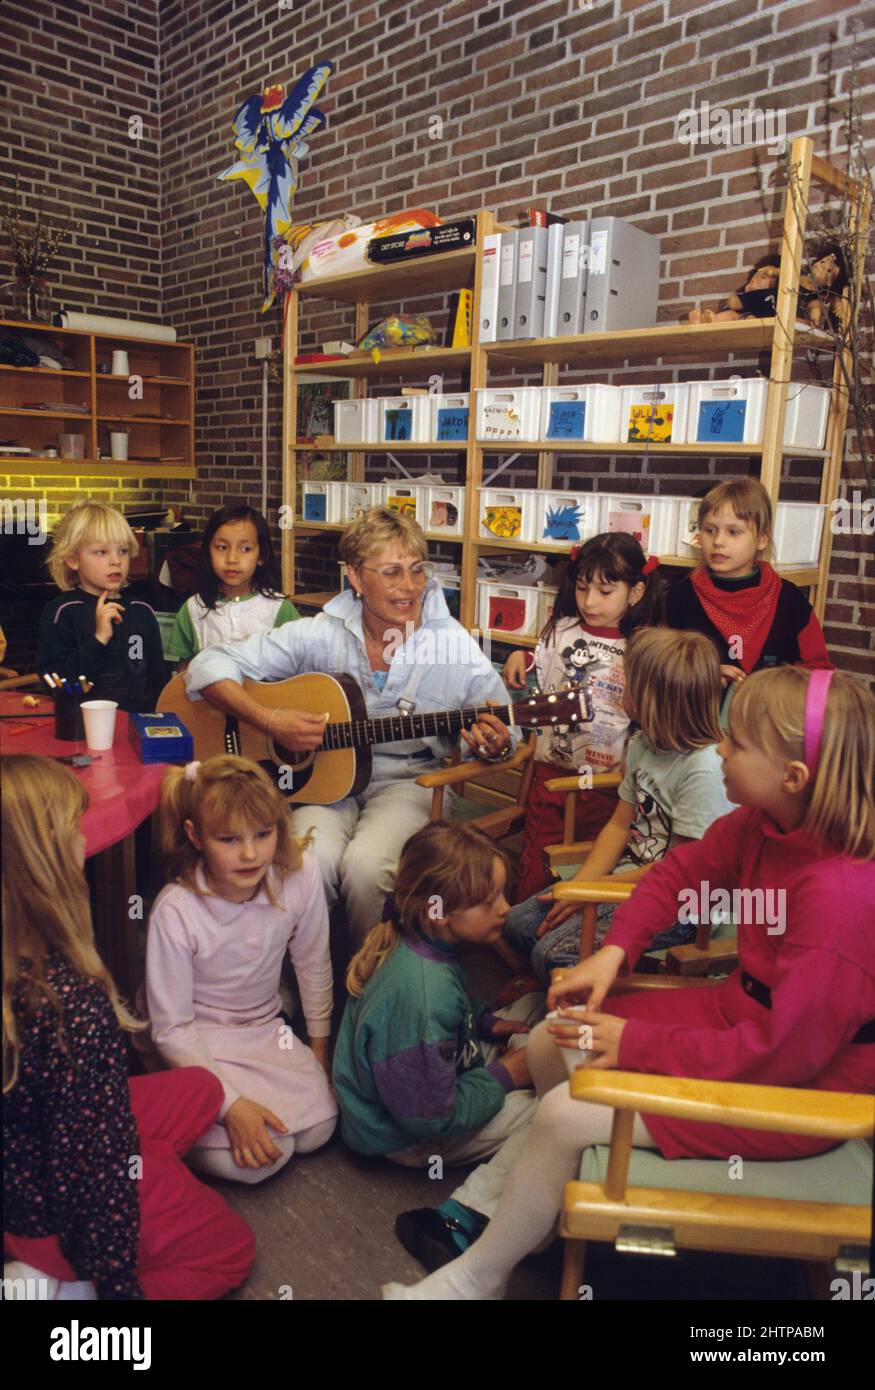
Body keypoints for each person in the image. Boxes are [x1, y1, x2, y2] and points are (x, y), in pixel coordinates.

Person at [382, 665, 875, 1299]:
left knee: (563, 1112)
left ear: (794, 777)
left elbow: (785, 1055)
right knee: (550, 1039)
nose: (720, 748)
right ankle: (534, 1217)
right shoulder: (764, 824)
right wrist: (612, 955)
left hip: (804, 1094)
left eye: (738, 742)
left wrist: (636, 1045)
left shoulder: (838, 897)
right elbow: (674, 877)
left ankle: (478, 1277)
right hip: (745, 1027)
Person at [184, 507, 515, 944]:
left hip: (410, 784)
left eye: (418, 571)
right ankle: (302, 980)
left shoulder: (452, 643)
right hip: (324, 782)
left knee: (366, 867)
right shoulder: (320, 632)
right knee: (304, 861)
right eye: (392, 572)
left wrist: (495, 744)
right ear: (356, 578)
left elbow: (506, 727)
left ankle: (367, 978)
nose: (410, 587)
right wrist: (271, 720)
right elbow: (206, 666)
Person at [2, 754, 255, 1300]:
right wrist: (115, 1284)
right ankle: (60, 1291)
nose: (83, 840)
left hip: (33, 1161)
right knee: (231, 1248)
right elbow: (88, 1169)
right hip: (49, 1218)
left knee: (202, 1089)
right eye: (74, 828)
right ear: (44, 855)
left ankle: (151, 1176)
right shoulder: (68, 1001)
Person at [333, 821, 543, 1266]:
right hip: (403, 1135)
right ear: (439, 912)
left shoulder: (426, 945)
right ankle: (466, 1217)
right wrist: (508, 1076)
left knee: (534, 1005)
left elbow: (450, 1018)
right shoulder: (423, 996)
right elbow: (428, 1117)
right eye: (489, 903)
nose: (506, 909)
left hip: (431, 1072)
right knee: (548, 1115)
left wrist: (485, 1023)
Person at [136, 754, 337, 1184]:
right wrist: (231, 1106)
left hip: (262, 1026)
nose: (250, 854)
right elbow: (171, 1028)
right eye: (228, 840)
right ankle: (174, 1125)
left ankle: (223, 1116)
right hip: (195, 1036)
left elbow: (313, 961)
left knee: (318, 1130)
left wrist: (319, 1054)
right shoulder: (176, 909)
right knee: (263, 1160)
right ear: (194, 836)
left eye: (263, 835)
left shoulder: (301, 876)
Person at [505, 627, 736, 980]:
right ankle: (551, 992)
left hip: (682, 906)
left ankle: (588, 1008)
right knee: (519, 923)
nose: (621, 691)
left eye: (629, 685)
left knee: (551, 952)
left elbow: (682, 873)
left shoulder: (704, 769)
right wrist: (584, 882)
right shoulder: (645, 742)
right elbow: (618, 824)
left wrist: (593, 892)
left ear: (655, 699)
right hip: (629, 875)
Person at [502, 532, 663, 903]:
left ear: (635, 592)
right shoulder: (561, 630)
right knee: (538, 864)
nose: (590, 601)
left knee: (594, 864)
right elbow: (540, 664)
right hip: (552, 772)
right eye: (582, 588)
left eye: (605, 592)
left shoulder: (646, 644)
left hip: (611, 787)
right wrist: (519, 657)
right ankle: (525, 928)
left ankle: (569, 933)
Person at [665, 478, 831, 691]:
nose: (718, 541)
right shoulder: (680, 596)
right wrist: (702, 675)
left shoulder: (789, 600)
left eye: (733, 532)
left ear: (762, 539)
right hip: (698, 721)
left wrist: (775, 685)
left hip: (768, 719)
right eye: (710, 530)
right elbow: (657, 665)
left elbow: (818, 671)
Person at [37, 499, 166, 711]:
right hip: (81, 728)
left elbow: (157, 678)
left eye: (123, 551)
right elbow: (57, 685)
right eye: (101, 552)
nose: (116, 561)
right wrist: (98, 640)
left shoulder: (142, 611)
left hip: (139, 727)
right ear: (73, 560)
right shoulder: (61, 612)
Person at [167, 502, 299, 669]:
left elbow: (301, 668)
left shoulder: (279, 608)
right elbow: (184, 672)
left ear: (262, 556)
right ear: (208, 552)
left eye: (245, 549)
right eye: (222, 547)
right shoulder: (193, 609)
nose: (232, 559)